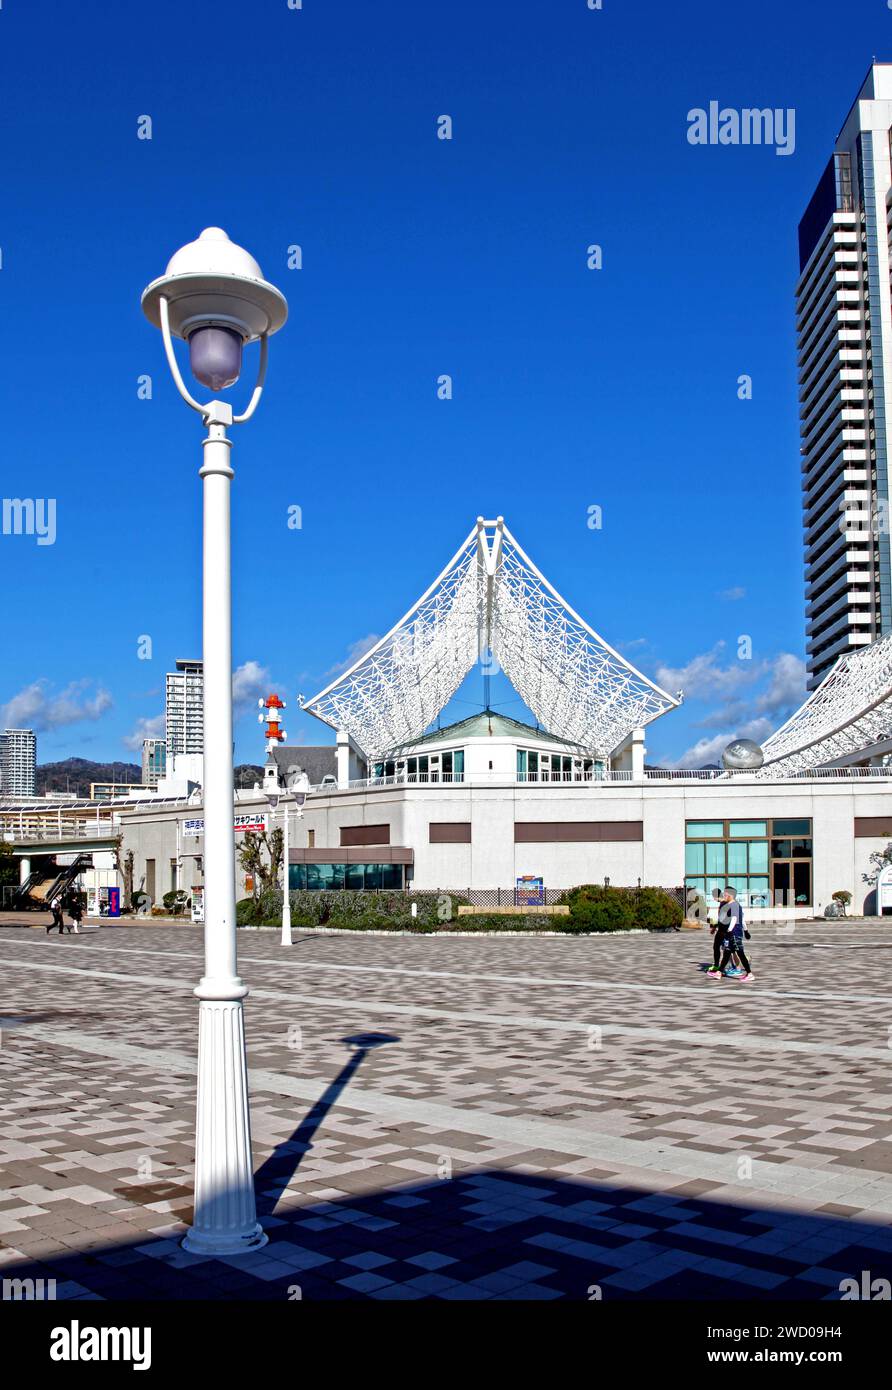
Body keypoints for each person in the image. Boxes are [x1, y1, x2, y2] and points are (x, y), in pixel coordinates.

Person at [707, 887, 754, 982]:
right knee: (727, 953)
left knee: (740, 954)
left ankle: (749, 974)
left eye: (725, 894)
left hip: (735, 933)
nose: (723, 896)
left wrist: (730, 930)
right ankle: (719, 972)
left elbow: (734, 919)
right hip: (731, 934)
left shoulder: (734, 905)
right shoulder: (730, 904)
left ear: (730, 895)